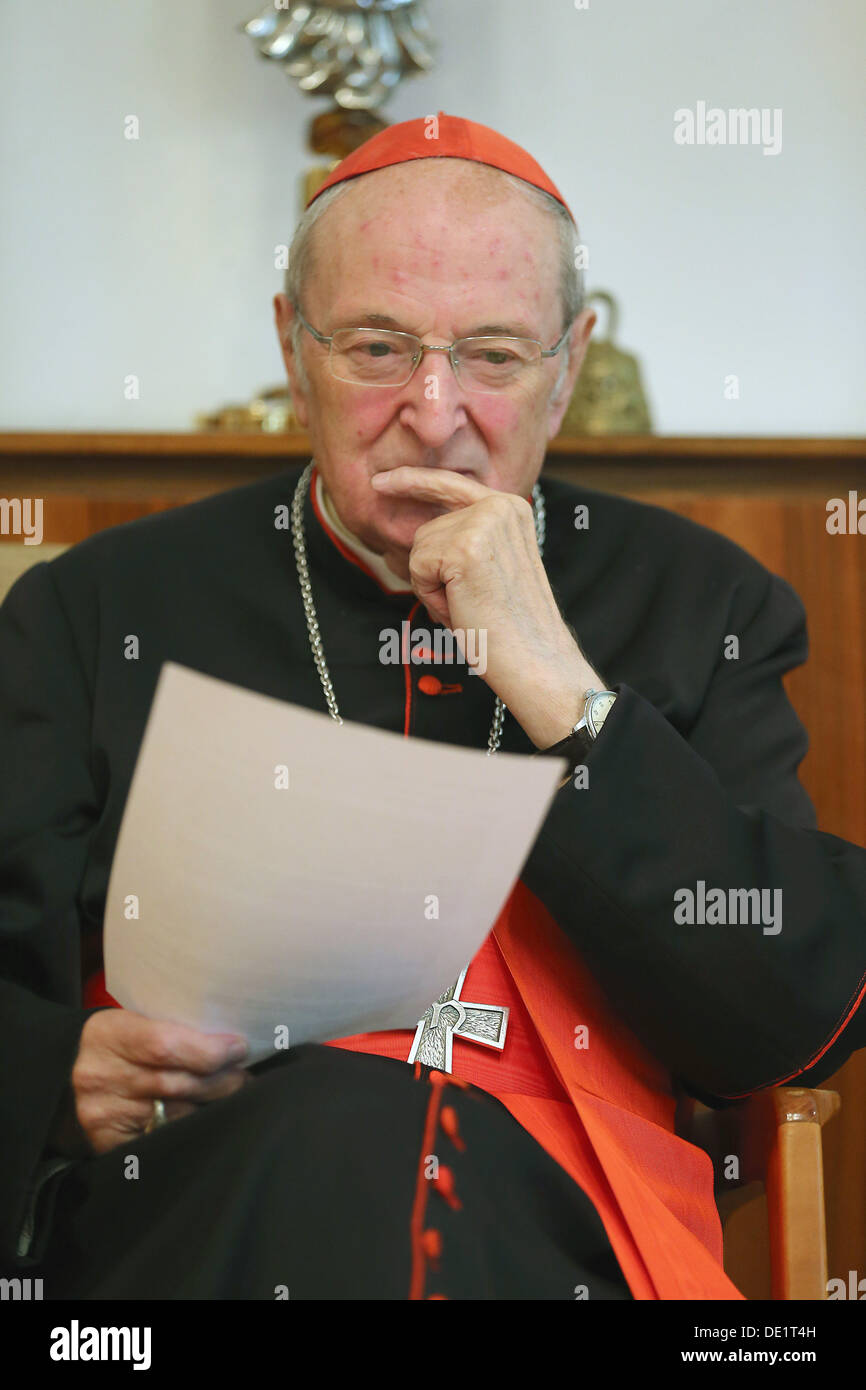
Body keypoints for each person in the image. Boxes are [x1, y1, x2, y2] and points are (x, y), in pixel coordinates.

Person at [1, 112, 864, 1301]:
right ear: (289, 347)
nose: (435, 407)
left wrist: (565, 695)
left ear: (569, 366)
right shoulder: (94, 610)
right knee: (335, 1141)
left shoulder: (704, 602)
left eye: (496, 356)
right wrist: (55, 1080)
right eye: (374, 347)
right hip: (212, 1214)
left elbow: (787, 1010)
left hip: (567, 1220)